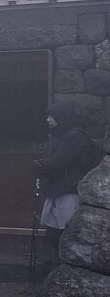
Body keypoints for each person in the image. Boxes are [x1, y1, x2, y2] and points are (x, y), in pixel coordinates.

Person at [37, 100, 104, 251]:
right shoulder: (66, 137)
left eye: (51, 116)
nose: (48, 120)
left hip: (69, 190)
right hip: (60, 189)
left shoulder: (73, 137)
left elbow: (58, 162)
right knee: (54, 231)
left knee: (63, 231)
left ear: (61, 117)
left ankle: (64, 262)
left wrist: (40, 166)